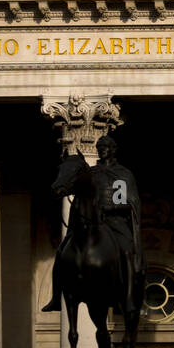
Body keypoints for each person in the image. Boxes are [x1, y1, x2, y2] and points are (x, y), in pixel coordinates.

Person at [42, 136, 143, 317]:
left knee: (126, 249)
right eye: (99, 146)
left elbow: (129, 202)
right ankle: (56, 297)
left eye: (106, 146)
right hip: (91, 221)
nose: (102, 149)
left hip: (114, 222)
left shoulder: (122, 175)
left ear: (114, 149)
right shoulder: (92, 173)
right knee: (62, 251)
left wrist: (110, 207)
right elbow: (77, 191)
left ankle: (127, 298)